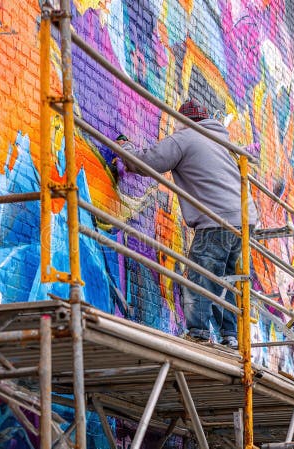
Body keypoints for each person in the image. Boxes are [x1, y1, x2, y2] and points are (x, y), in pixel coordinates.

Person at [116, 98, 257, 349]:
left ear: (183, 121)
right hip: (245, 221)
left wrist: (125, 148)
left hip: (217, 220)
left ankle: (198, 333)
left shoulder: (186, 137)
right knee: (226, 280)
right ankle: (231, 336)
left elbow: (149, 162)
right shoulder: (221, 143)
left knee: (198, 277)